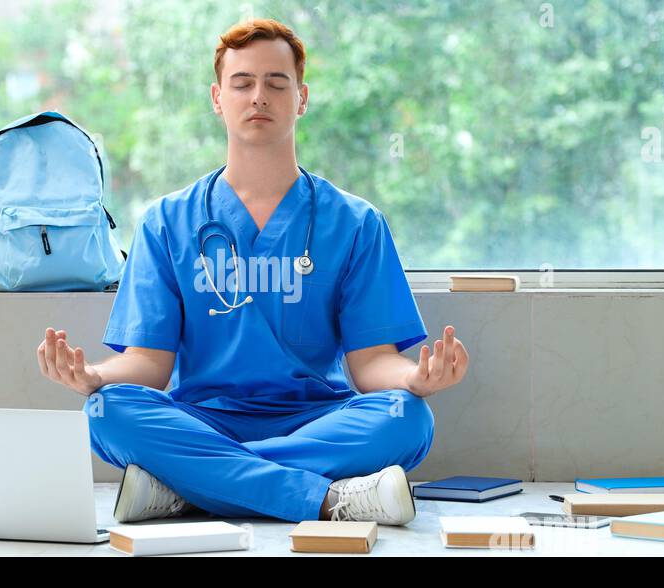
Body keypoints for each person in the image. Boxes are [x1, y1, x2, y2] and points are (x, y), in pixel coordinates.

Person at [37, 18, 468, 526]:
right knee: (107, 411)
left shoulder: (355, 223)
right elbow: (148, 366)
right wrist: (93, 376)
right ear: (218, 98)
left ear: (301, 98)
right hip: (204, 419)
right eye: (242, 83)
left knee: (408, 418)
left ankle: (188, 488)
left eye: (276, 83)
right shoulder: (166, 222)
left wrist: (417, 376)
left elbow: (372, 365)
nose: (258, 96)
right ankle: (326, 499)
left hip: (316, 419)